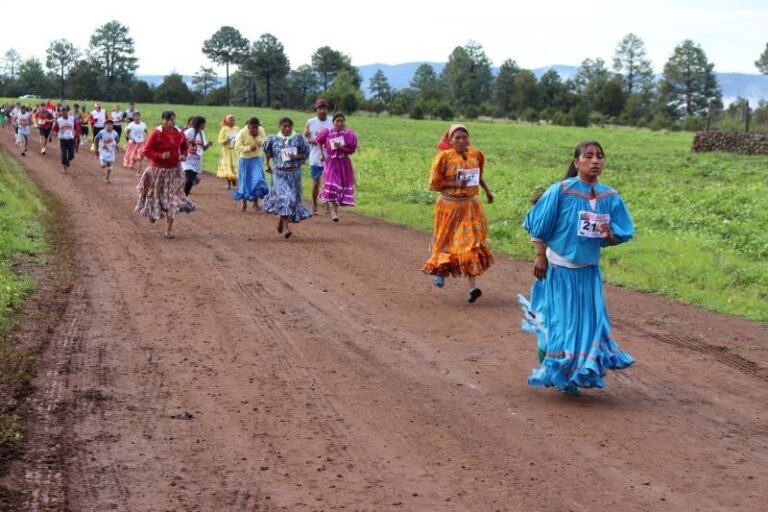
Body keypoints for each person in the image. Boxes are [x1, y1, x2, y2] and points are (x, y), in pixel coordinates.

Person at [519, 140, 634, 397]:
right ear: (577, 162)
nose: (595, 161)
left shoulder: (609, 197)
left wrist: (610, 236)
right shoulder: (561, 191)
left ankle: (576, 371)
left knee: (588, 326)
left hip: (588, 272)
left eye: (599, 157)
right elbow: (537, 224)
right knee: (559, 325)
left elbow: (616, 235)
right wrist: (540, 256)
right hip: (559, 269)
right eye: (589, 156)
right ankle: (553, 367)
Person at [422, 124, 494, 303]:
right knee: (445, 241)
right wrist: (456, 184)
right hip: (448, 206)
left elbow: (478, 176)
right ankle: (440, 271)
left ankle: (473, 288)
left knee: (471, 243)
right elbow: (434, 184)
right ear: (450, 140)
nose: (462, 141)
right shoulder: (443, 158)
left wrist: (487, 191)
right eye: (457, 138)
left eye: (465, 137)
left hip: (469, 206)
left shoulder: (475, 154)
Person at [135, 110, 194, 239]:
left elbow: (185, 147)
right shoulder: (156, 133)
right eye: (169, 120)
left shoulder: (180, 134)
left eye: (173, 120)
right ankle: (152, 212)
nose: (172, 122)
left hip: (175, 171)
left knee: (173, 200)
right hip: (157, 171)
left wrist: (184, 155)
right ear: (164, 120)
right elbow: (146, 151)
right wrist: (160, 155)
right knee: (155, 196)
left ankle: (168, 230)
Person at [261, 117, 312, 238]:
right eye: (284, 126)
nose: (287, 128)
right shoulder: (272, 139)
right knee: (286, 197)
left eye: (289, 126)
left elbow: (306, 153)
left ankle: (281, 218)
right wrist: (267, 164)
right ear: (280, 126)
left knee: (293, 200)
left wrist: (296, 157)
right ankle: (286, 228)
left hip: (294, 174)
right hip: (279, 174)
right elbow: (267, 152)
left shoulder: (299, 138)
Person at [315, 112, 358, 222]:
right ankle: (331, 208)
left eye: (341, 121)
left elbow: (351, 150)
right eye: (337, 121)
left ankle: (335, 210)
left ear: (344, 122)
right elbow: (318, 141)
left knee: (339, 186)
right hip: (331, 163)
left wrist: (341, 147)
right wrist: (321, 154)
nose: (339, 123)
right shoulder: (327, 132)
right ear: (333, 122)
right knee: (332, 186)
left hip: (343, 164)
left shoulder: (348, 134)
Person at [303, 98, 333, 214]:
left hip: (330, 157)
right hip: (315, 156)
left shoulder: (332, 121)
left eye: (324, 108)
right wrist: (316, 141)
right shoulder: (310, 122)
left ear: (327, 109)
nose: (322, 111)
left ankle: (327, 204)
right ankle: (314, 204)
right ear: (316, 109)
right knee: (316, 183)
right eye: (320, 108)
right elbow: (304, 137)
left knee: (329, 183)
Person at [233, 117, 269, 212]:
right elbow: (237, 147)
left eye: (256, 127)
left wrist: (257, 137)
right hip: (245, 160)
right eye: (252, 128)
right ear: (248, 126)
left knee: (258, 180)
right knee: (245, 182)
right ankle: (244, 203)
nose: (254, 130)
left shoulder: (261, 130)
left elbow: (265, 143)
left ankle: (255, 203)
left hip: (257, 158)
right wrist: (248, 148)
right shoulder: (242, 132)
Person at [181, 116, 212, 196]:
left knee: (192, 180)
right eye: (204, 124)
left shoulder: (202, 133)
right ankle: (183, 197)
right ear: (200, 124)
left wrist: (208, 145)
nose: (204, 126)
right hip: (188, 159)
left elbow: (203, 148)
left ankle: (182, 195)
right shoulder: (189, 131)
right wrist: (192, 142)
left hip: (197, 160)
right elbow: (181, 142)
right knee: (189, 180)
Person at [52, 106, 79, 173]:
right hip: (62, 140)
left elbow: (77, 128)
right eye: (62, 111)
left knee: (71, 156)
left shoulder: (72, 119)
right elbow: (55, 129)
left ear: (67, 111)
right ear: (60, 112)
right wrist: (54, 133)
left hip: (70, 139)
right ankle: (65, 170)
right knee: (63, 155)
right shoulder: (59, 120)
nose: (64, 112)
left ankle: (67, 161)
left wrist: (77, 134)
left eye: (65, 111)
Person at [216, 114, 239, 189]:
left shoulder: (238, 129)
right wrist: (226, 139)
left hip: (235, 150)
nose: (232, 121)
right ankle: (229, 183)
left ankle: (234, 178)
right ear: (226, 121)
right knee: (227, 166)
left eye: (233, 120)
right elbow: (219, 141)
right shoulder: (224, 129)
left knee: (235, 166)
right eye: (230, 120)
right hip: (226, 151)